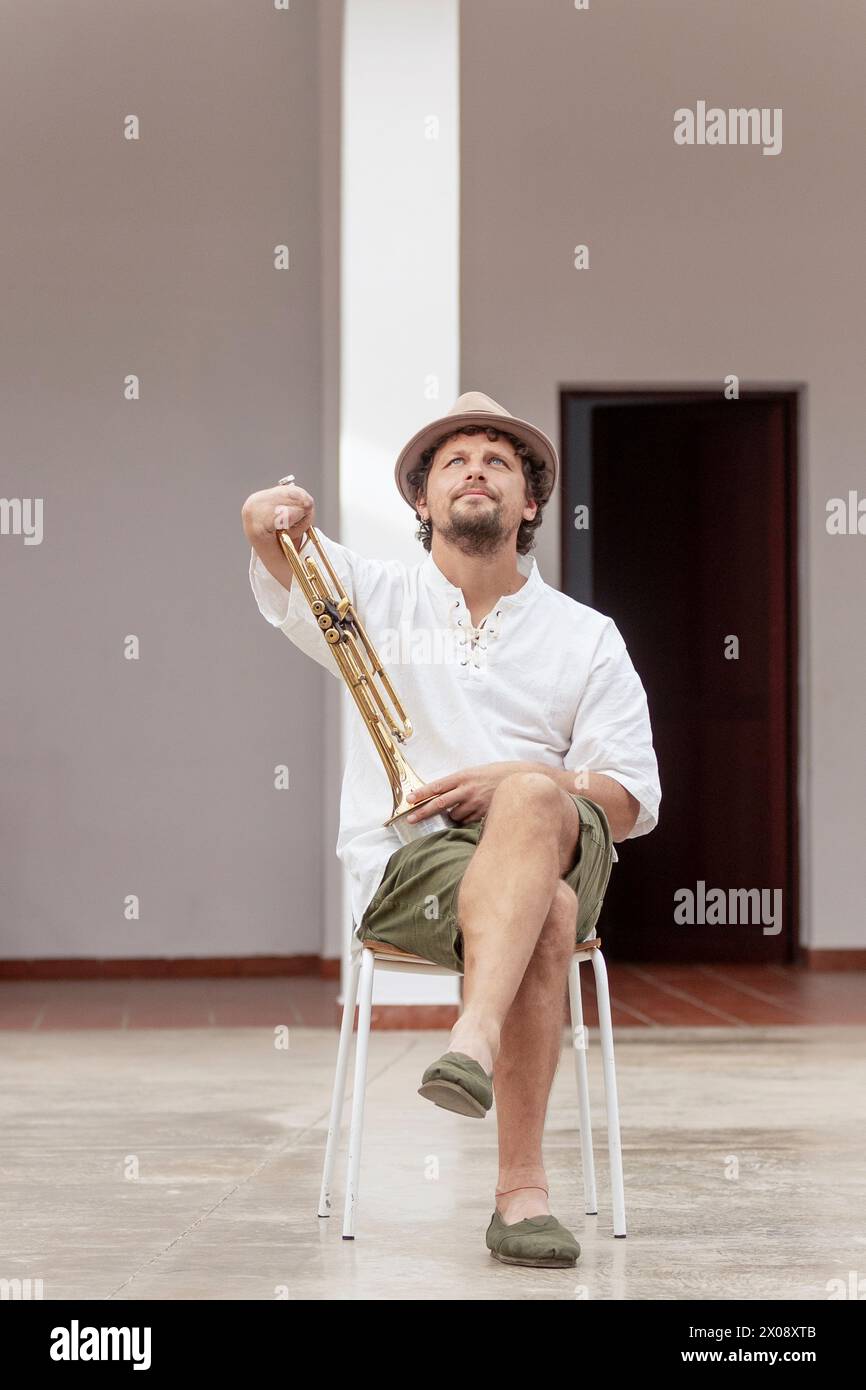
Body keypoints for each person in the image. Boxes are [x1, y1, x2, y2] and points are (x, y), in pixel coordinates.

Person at [241, 391, 661, 1269]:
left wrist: (523, 780)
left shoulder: (587, 638)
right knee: (542, 910)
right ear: (423, 502)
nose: (477, 469)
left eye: (499, 461)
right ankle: (521, 1197)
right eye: (454, 461)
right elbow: (279, 552)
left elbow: (628, 801)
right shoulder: (373, 602)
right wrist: (263, 516)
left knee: (539, 803)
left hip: (565, 847)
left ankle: (469, 1036)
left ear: (531, 503)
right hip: (414, 873)